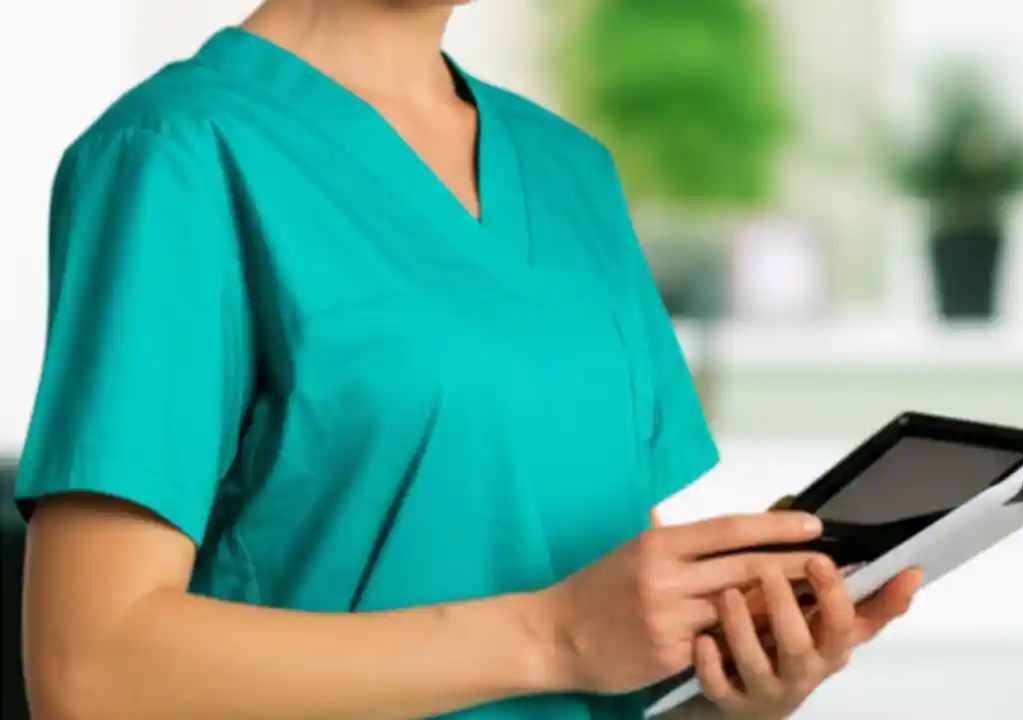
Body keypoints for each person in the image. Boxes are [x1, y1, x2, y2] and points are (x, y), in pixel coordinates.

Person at [15, 2, 922, 718]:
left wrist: (736, 685)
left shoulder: (572, 173)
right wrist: (552, 636)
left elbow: (608, 662)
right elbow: (90, 672)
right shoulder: (176, 155)